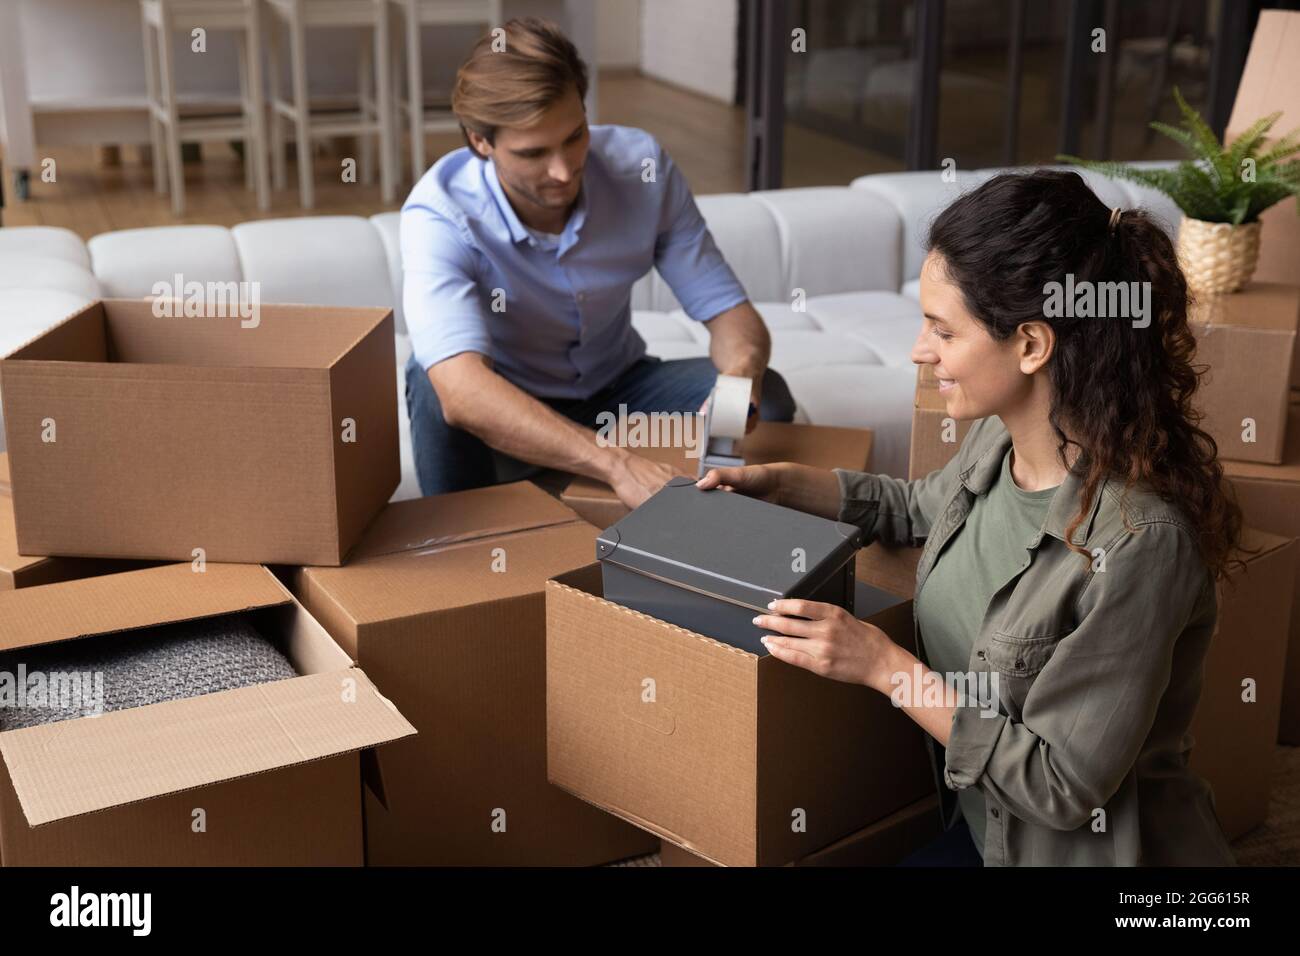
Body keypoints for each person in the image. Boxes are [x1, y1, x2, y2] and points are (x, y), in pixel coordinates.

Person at [697, 170, 1242, 866]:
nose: (919, 351)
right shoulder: (1003, 440)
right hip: (983, 831)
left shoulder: (1139, 544)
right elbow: (916, 506)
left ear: (1031, 345)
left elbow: (1061, 785)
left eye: (942, 329)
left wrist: (884, 667)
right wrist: (783, 485)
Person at [401, 17, 795, 503]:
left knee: (767, 394)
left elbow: (729, 311)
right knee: (430, 378)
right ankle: (471, 552)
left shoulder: (641, 169)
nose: (563, 171)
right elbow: (462, 391)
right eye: (533, 153)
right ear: (480, 141)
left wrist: (741, 374)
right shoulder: (440, 215)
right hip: (509, 405)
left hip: (619, 390)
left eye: (574, 136)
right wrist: (616, 465)